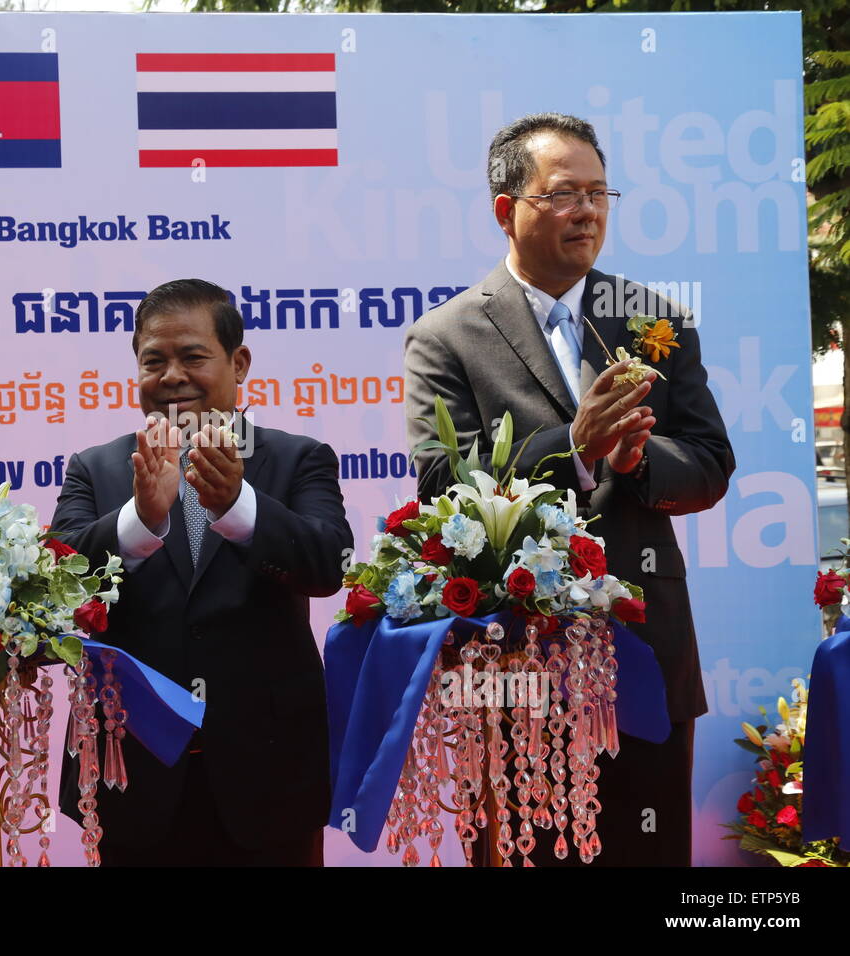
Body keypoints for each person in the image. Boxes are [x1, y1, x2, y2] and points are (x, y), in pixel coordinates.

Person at [404, 114, 734, 866]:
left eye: (598, 192)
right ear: (505, 209)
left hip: (646, 650)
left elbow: (711, 460)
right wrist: (572, 450)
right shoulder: (448, 335)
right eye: (562, 193)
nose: (587, 210)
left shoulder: (654, 320)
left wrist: (638, 459)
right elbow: (440, 484)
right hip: (515, 662)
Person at [49, 278, 352, 866]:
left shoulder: (298, 458)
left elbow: (326, 567)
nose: (172, 377)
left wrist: (237, 505)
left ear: (238, 364)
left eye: (192, 356)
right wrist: (140, 519)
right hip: (133, 772)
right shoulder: (96, 467)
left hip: (267, 775)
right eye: (153, 360)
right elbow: (60, 587)